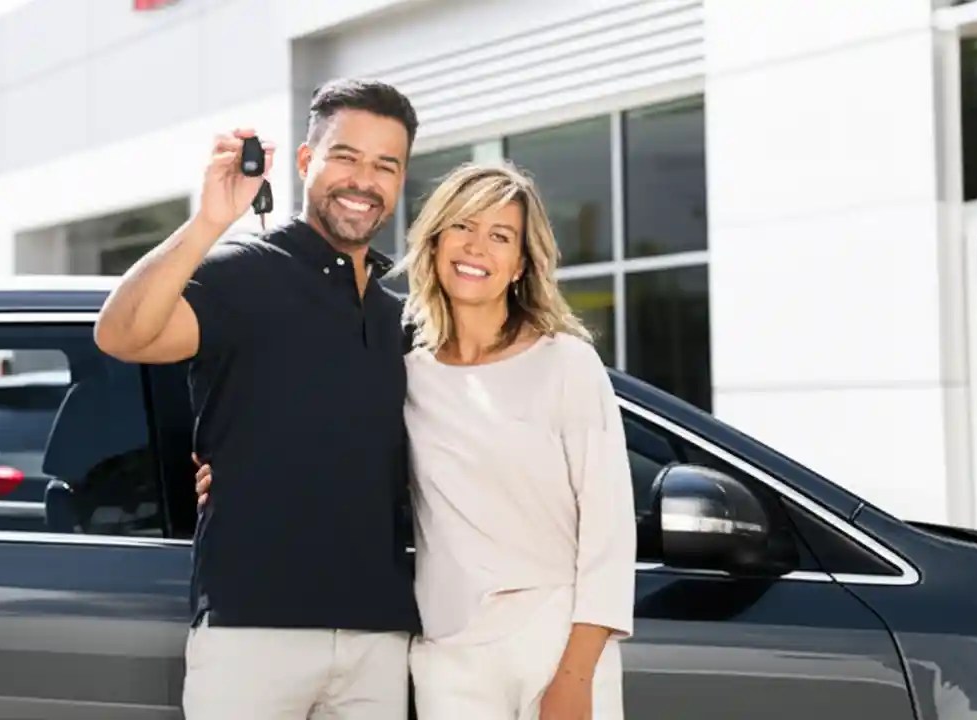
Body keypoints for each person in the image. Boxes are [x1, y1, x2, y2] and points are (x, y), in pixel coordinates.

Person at [196, 162, 638, 719]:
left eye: (500, 236)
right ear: (434, 240)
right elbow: (329, 439)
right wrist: (238, 463)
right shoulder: (405, 368)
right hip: (447, 656)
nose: (476, 248)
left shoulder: (566, 364)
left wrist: (575, 677)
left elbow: (609, 534)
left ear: (521, 264)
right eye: (462, 227)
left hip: (553, 643)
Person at [95, 78, 422, 719]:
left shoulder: (405, 318)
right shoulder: (240, 274)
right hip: (252, 631)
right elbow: (120, 333)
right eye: (346, 157)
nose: (364, 180)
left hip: (378, 638)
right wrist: (210, 219)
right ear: (306, 162)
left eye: (385, 164)